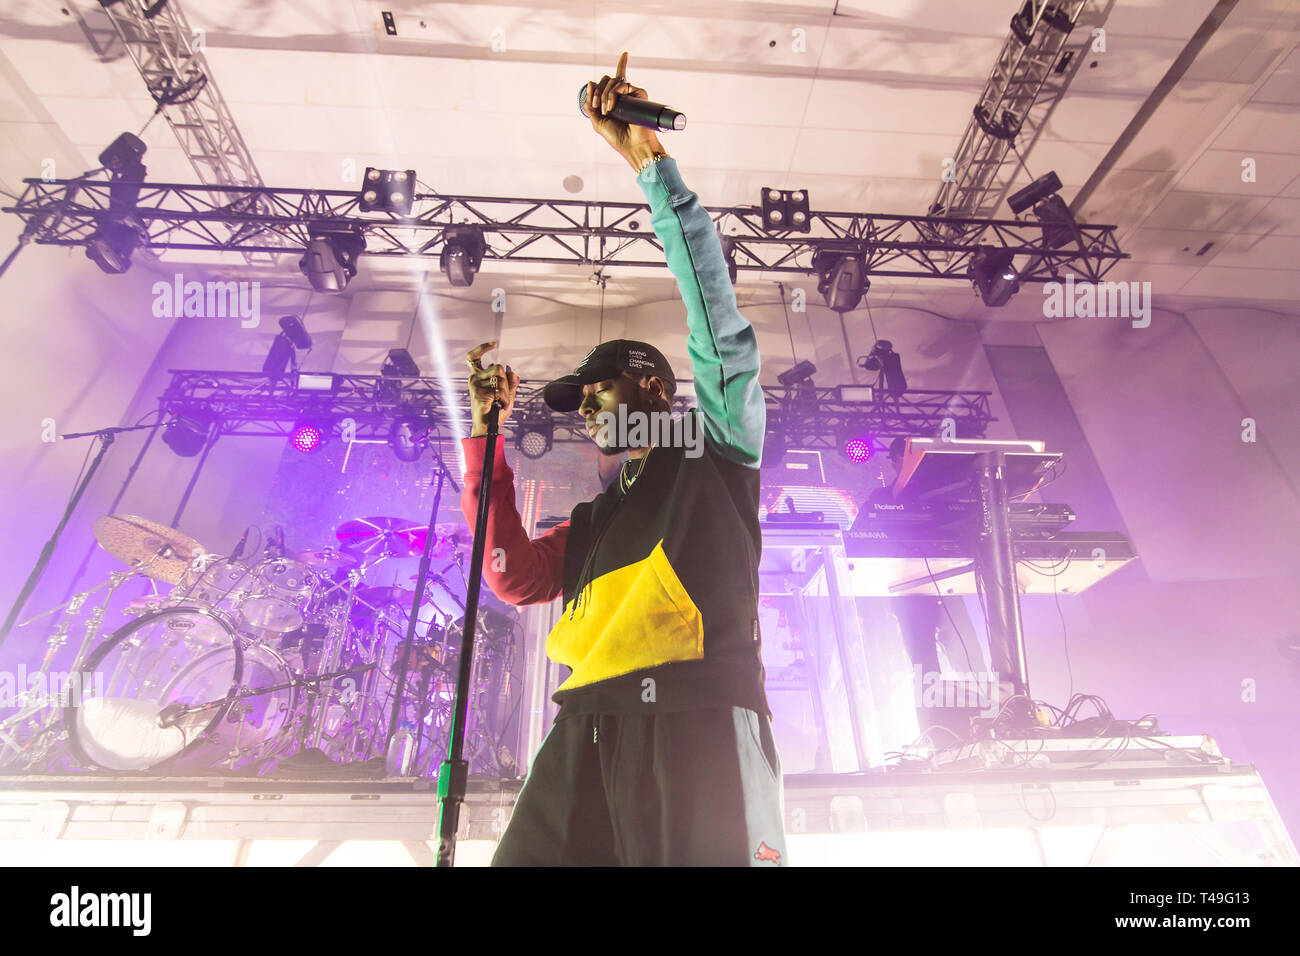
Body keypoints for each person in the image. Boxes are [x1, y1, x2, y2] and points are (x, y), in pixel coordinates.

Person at [458, 53, 787, 866]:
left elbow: (721, 332)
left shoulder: (714, 448)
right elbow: (507, 575)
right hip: (585, 723)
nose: (585, 415)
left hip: (697, 714)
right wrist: (486, 442)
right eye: (578, 404)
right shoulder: (594, 519)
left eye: (597, 393)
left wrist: (654, 170)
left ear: (648, 386)